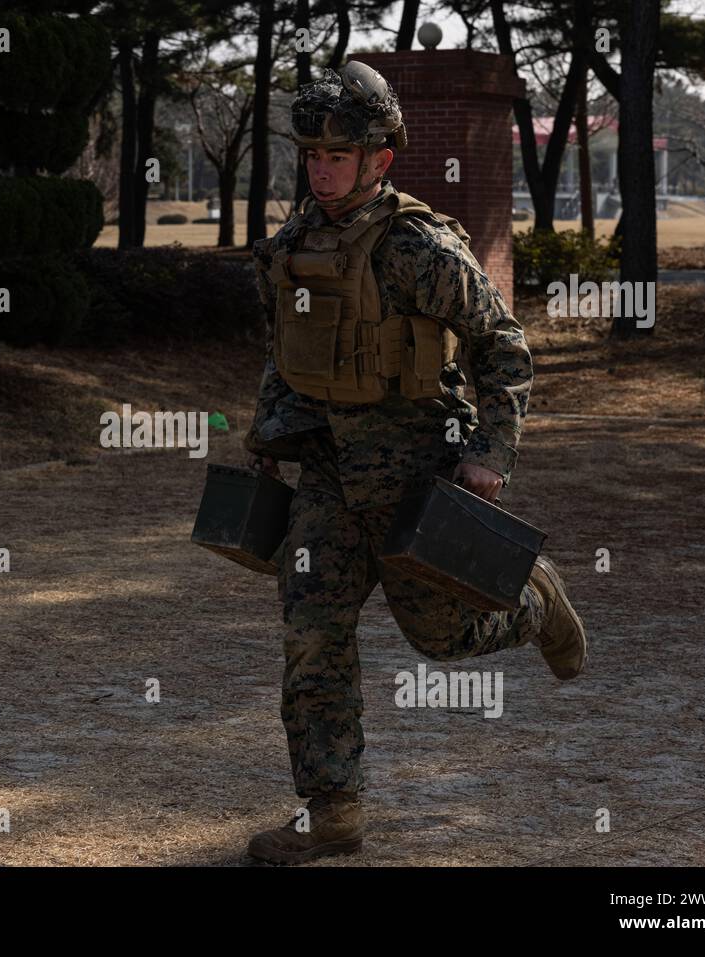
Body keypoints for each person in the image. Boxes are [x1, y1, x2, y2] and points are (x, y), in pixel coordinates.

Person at [242, 61, 587, 865]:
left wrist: (490, 454)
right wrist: (263, 442)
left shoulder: (417, 249)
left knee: (443, 638)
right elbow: (282, 357)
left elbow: (503, 348)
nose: (320, 169)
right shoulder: (291, 247)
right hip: (327, 475)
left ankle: (537, 601)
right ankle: (333, 811)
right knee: (311, 631)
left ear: (379, 159)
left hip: (416, 474)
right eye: (311, 154)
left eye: (338, 155)